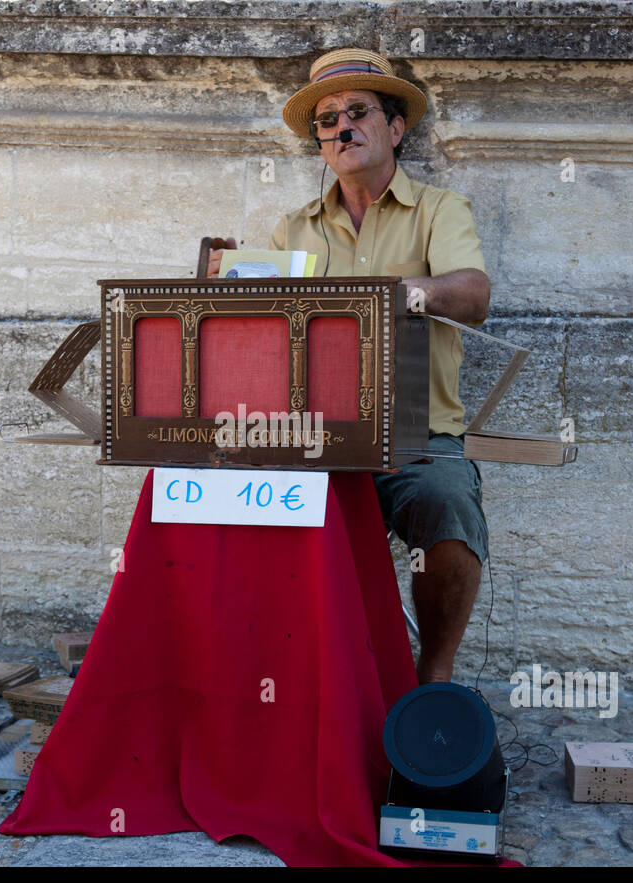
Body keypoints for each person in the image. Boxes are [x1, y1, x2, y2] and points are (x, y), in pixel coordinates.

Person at [207, 48, 492, 685]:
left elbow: (473, 294)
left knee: (448, 504)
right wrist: (224, 284)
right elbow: (254, 340)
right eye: (328, 118)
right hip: (310, 438)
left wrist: (401, 294)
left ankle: (433, 683)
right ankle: (275, 679)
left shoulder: (438, 210)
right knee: (221, 501)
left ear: (396, 128)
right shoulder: (291, 230)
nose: (342, 126)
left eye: (358, 111)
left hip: (415, 436)